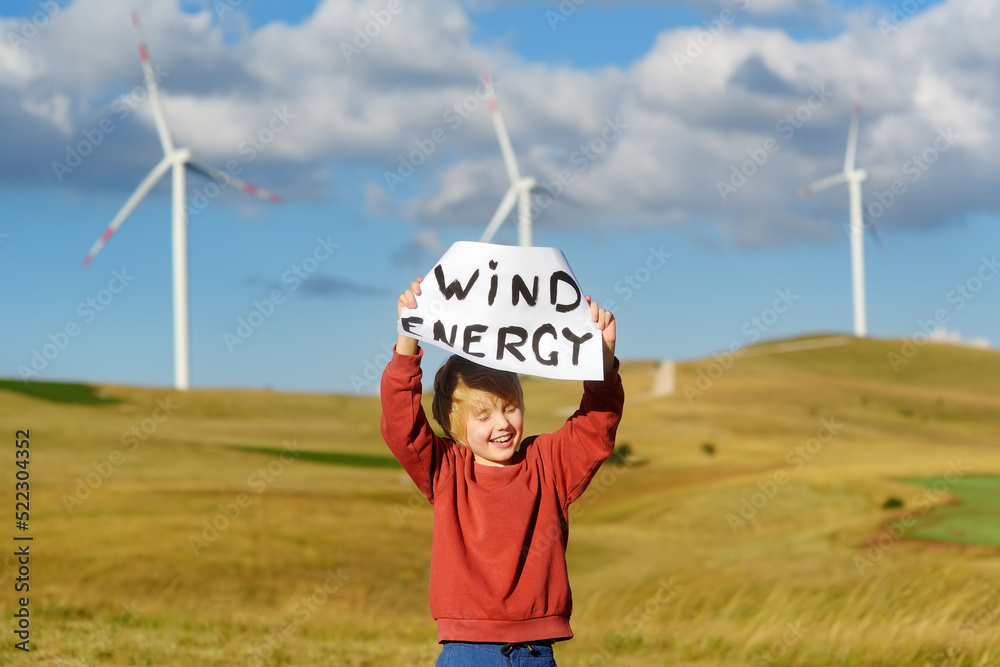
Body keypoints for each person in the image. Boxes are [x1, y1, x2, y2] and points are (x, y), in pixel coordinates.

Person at [381, 276, 624, 666]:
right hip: (466, 651)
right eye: (483, 414)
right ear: (454, 426)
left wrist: (602, 359)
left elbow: (597, 424)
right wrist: (408, 339)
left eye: (510, 407)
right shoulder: (446, 470)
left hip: (536, 651)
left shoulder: (549, 462)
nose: (502, 423)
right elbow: (401, 425)